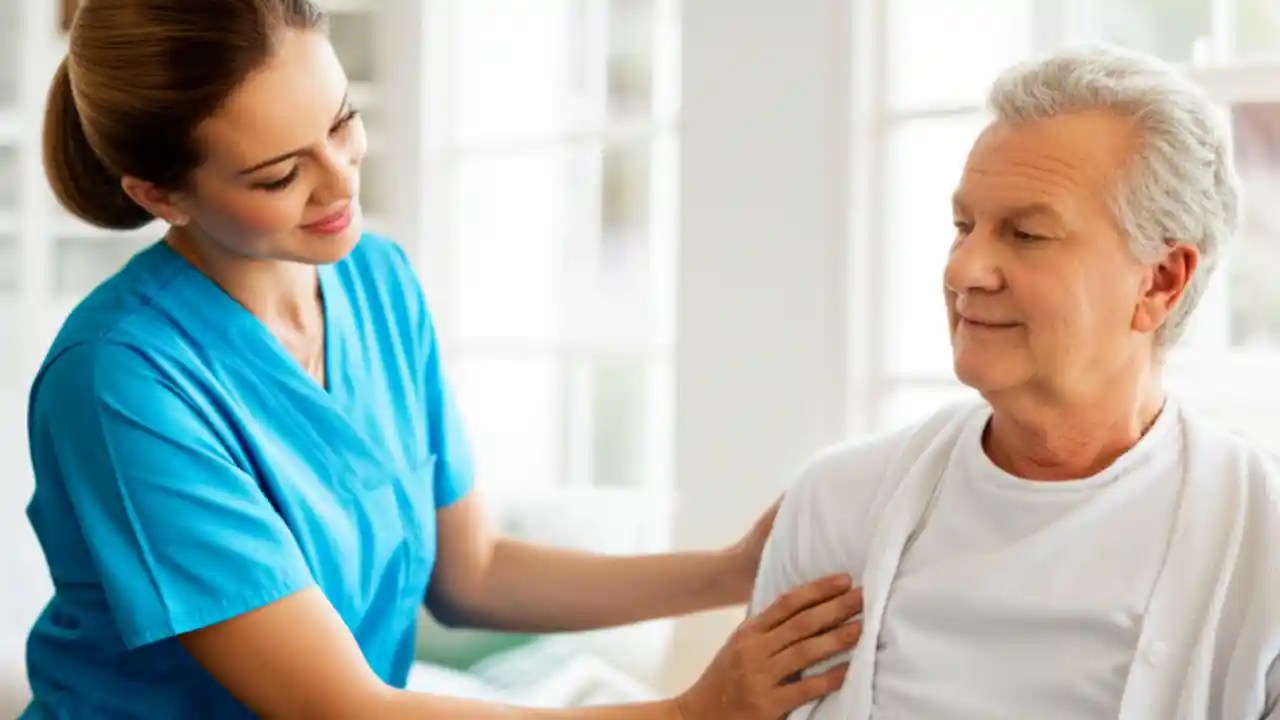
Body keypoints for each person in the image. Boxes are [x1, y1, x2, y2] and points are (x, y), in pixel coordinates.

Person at [19, 1, 863, 718]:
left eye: (343, 122)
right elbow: (342, 708)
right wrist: (689, 711)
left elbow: (475, 573)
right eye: (280, 175)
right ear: (159, 194)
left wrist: (734, 571)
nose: (341, 182)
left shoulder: (374, 279)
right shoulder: (121, 379)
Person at [751, 47, 1280, 719]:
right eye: (963, 226)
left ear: (1159, 281)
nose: (966, 269)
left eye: (1026, 234)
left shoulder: (1264, 540)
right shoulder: (837, 505)